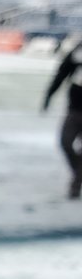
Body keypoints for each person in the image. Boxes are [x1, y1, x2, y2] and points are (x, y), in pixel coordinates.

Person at [42, 38, 82, 199]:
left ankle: (76, 184)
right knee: (65, 142)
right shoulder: (78, 51)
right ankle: (78, 174)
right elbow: (62, 73)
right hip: (75, 109)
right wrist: (49, 96)